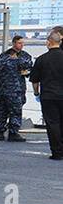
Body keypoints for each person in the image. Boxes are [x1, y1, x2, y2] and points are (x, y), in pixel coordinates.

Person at [0, 34, 34, 142]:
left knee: (4, 110)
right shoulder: (11, 57)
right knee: (9, 110)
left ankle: (2, 131)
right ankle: (10, 132)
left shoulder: (5, 56)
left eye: (23, 43)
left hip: (8, 88)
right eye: (20, 43)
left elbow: (29, 71)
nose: (22, 45)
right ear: (14, 43)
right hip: (13, 89)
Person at [30, 26, 63, 160]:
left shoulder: (41, 59)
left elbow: (34, 80)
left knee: (52, 123)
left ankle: (57, 152)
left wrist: (36, 93)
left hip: (48, 95)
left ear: (48, 42)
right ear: (60, 42)